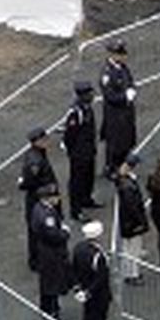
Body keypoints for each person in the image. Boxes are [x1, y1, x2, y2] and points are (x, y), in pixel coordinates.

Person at [72, 220, 111, 320]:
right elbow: (101, 278)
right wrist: (89, 292)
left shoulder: (78, 248)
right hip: (98, 296)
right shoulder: (98, 255)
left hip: (85, 291)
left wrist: (78, 289)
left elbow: (73, 269)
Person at [19, 126, 58, 269]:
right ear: (37, 142)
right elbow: (29, 182)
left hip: (42, 195)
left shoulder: (38, 154)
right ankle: (35, 260)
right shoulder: (35, 161)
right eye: (44, 139)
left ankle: (41, 257)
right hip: (37, 198)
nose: (47, 141)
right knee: (36, 229)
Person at [30, 184, 71, 319]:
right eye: (55, 196)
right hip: (51, 253)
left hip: (43, 251)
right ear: (48, 198)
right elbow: (53, 235)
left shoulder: (38, 208)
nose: (58, 199)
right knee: (53, 282)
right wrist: (65, 232)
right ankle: (53, 312)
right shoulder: (47, 216)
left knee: (46, 281)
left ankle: (46, 308)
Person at [99, 39, 137, 178]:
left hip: (126, 112)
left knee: (126, 140)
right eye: (121, 54)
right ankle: (111, 168)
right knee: (115, 143)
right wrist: (124, 96)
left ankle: (123, 166)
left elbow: (130, 81)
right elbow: (109, 96)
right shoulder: (107, 74)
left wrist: (131, 91)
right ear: (114, 55)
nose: (124, 57)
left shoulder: (123, 67)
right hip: (115, 114)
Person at [63, 82, 100, 221]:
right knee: (77, 181)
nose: (91, 95)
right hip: (78, 153)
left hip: (89, 149)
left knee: (89, 175)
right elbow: (70, 135)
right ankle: (76, 210)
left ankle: (87, 198)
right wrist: (73, 151)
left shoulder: (87, 107)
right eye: (88, 93)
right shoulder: (75, 112)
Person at [115, 153, 149, 283]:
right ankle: (133, 275)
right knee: (133, 249)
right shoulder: (128, 185)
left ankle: (127, 273)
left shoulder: (122, 179)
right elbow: (132, 207)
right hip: (132, 223)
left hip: (126, 222)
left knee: (127, 248)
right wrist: (140, 221)